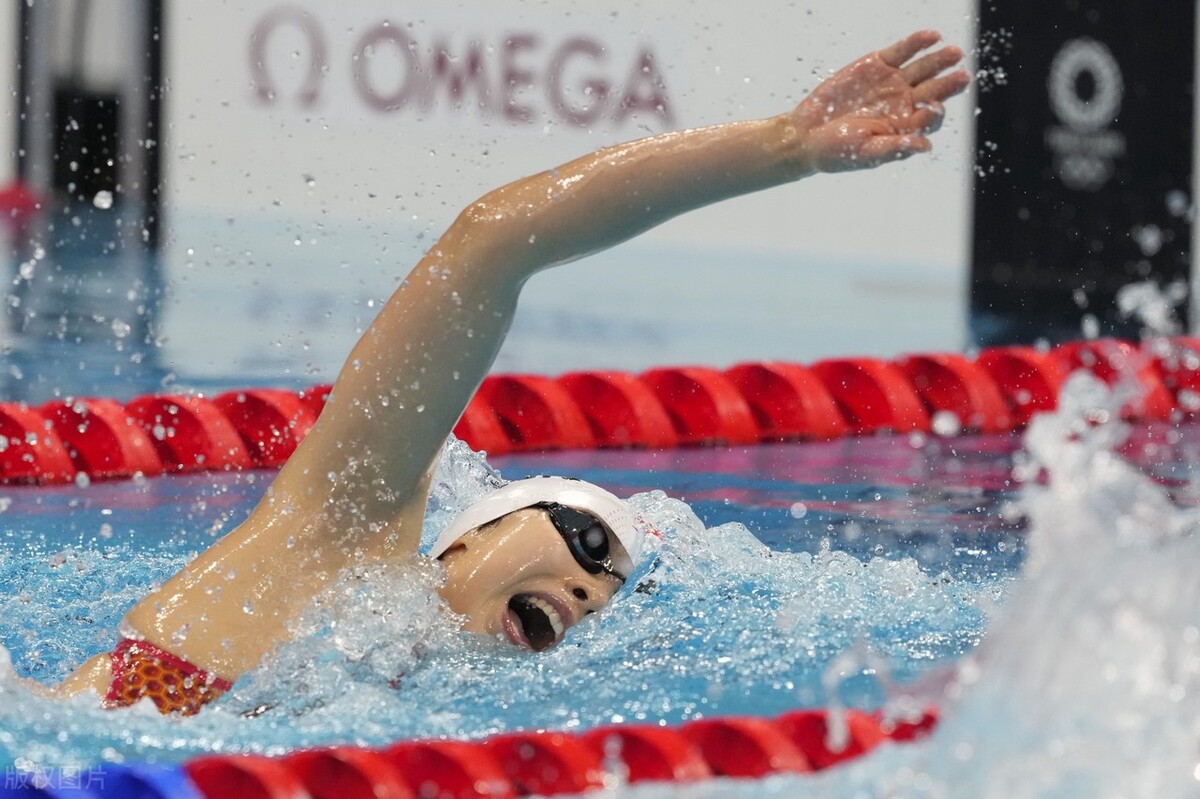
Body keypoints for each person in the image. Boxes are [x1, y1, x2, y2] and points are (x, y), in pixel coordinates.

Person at [52, 30, 969, 715]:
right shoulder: (339, 532)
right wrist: (782, 147)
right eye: (587, 546)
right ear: (464, 537)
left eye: (601, 598)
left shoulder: (417, 716)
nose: (586, 589)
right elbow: (493, 242)